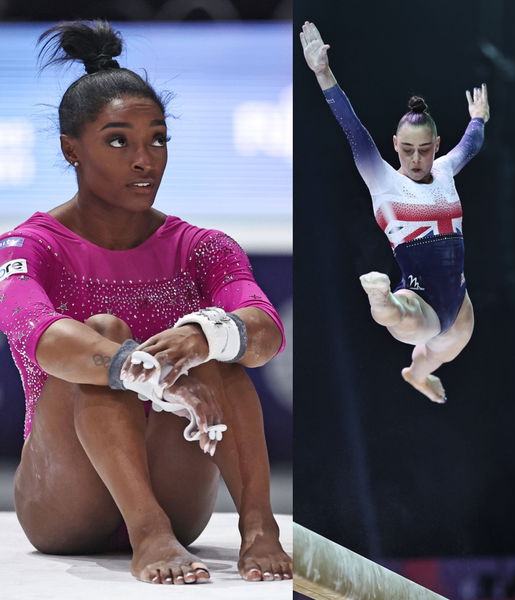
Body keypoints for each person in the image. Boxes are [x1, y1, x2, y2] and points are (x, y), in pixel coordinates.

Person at [0, 20, 292, 585]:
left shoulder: (202, 247)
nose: (145, 159)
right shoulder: (28, 246)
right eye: (118, 141)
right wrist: (148, 373)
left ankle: (260, 526)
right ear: (70, 150)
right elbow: (36, 330)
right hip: (63, 498)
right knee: (102, 330)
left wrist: (205, 336)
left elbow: (265, 331)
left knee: (217, 342)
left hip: (174, 484)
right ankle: (145, 532)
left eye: (157, 138)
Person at [300, 21, 490, 404]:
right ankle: (381, 297)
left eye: (424, 149)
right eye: (406, 149)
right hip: (418, 295)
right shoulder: (380, 178)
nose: (416, 158)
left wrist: (478, 118)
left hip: (459, 298)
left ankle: (416, 375)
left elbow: (471, 145)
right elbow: (351, 128)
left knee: (434, 355)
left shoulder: (446, 170)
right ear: (394, 144)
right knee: (407, 321)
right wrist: (323, 73)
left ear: (437, 144)